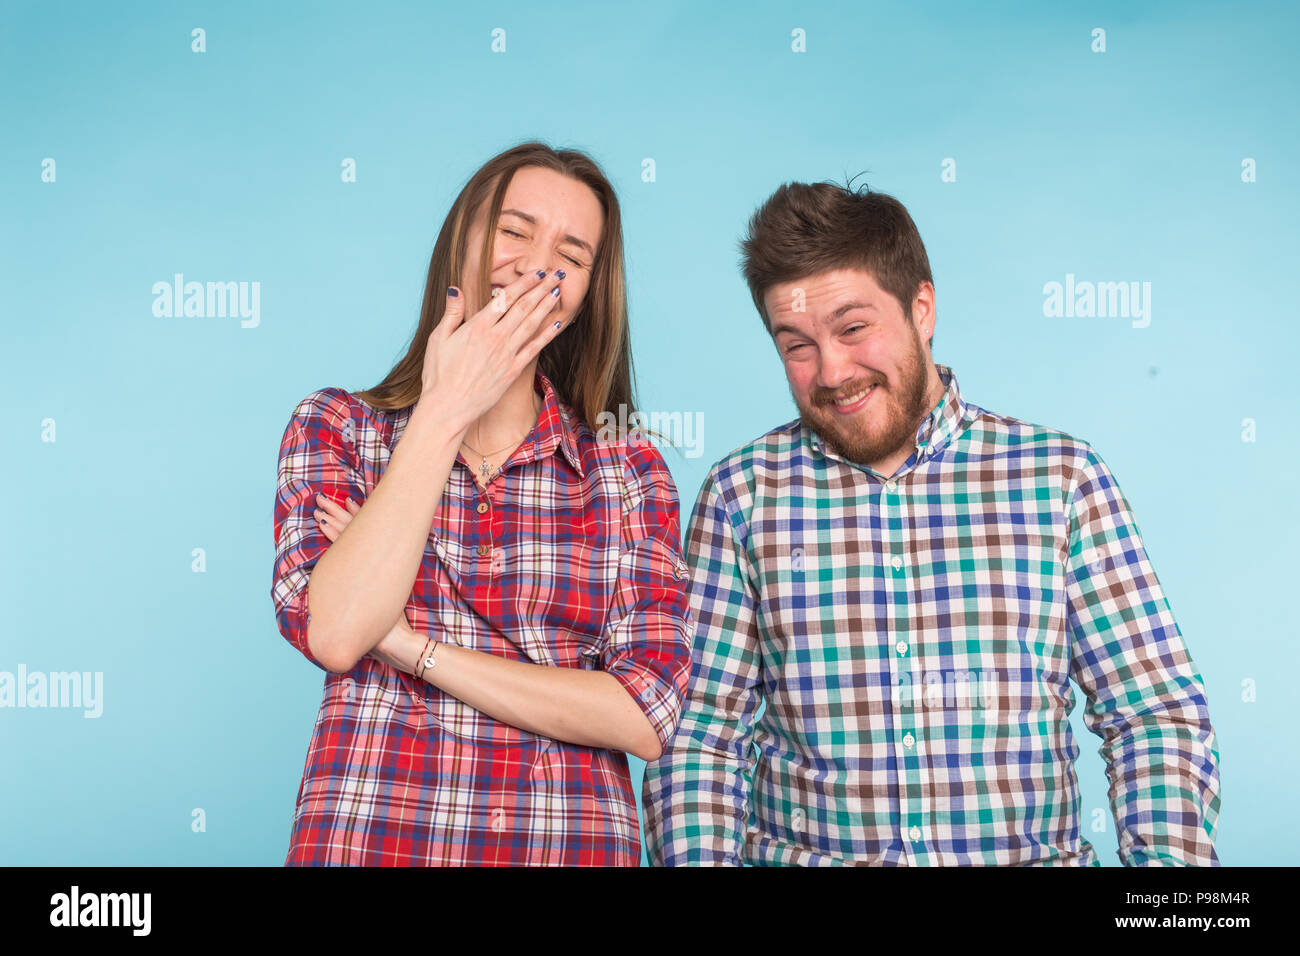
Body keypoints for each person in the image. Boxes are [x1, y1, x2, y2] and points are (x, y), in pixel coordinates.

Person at [642, 178, 1221, 866]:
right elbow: (703, 738)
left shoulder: (1061, 479)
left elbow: (1152, 715)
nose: (832, 372)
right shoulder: (742, 494)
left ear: (922, 308)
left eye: (854, 329)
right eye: (796, 345)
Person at [271, 141, 694, 866]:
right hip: (371, 838)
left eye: (572, 252)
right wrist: (443, 413)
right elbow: (337, 633)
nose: (537, 265)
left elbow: (643, 713)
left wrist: (410, 646)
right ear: (459, 244)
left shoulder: (630, 470)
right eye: (514, 230)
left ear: (589, 291)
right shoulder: (336, 427)